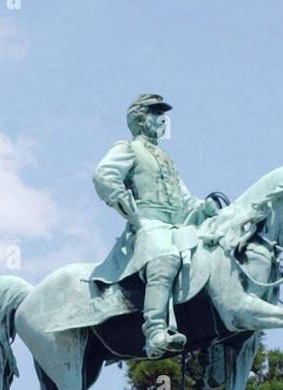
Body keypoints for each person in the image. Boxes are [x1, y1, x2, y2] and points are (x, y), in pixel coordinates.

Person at [91, 94, 220, 357]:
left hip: (177, 226)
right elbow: (103, 175)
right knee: (165, 259)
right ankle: (155, 332)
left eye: (162, 115)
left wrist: (203, 207)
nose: (161, 120)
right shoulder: (128, 148)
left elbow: (184, 200)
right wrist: (125, 205)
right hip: (148, 223)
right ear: (139, 119)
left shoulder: (166, 159)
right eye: (155, 114)